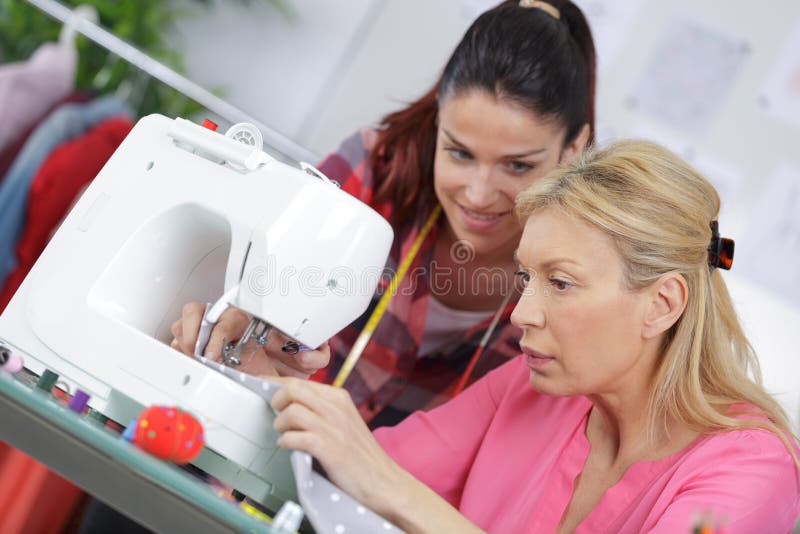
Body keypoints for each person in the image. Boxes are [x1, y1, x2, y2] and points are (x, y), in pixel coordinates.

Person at [268, 140, 800, 533]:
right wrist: (266, 369)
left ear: (661, 305)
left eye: (560, 283)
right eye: (526, 278)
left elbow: (380, 478)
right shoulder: (530, 386)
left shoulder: (752, 469)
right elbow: (341, 465)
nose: (522, 313)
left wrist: (390, 489)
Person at [172, 0, 596, 427]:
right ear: (437, 123)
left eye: (517, 165)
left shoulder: (578, 290)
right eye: (458, 152)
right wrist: (237, 310)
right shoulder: (375, 170)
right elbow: (256, 278)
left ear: (573, 150)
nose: (478, 193)